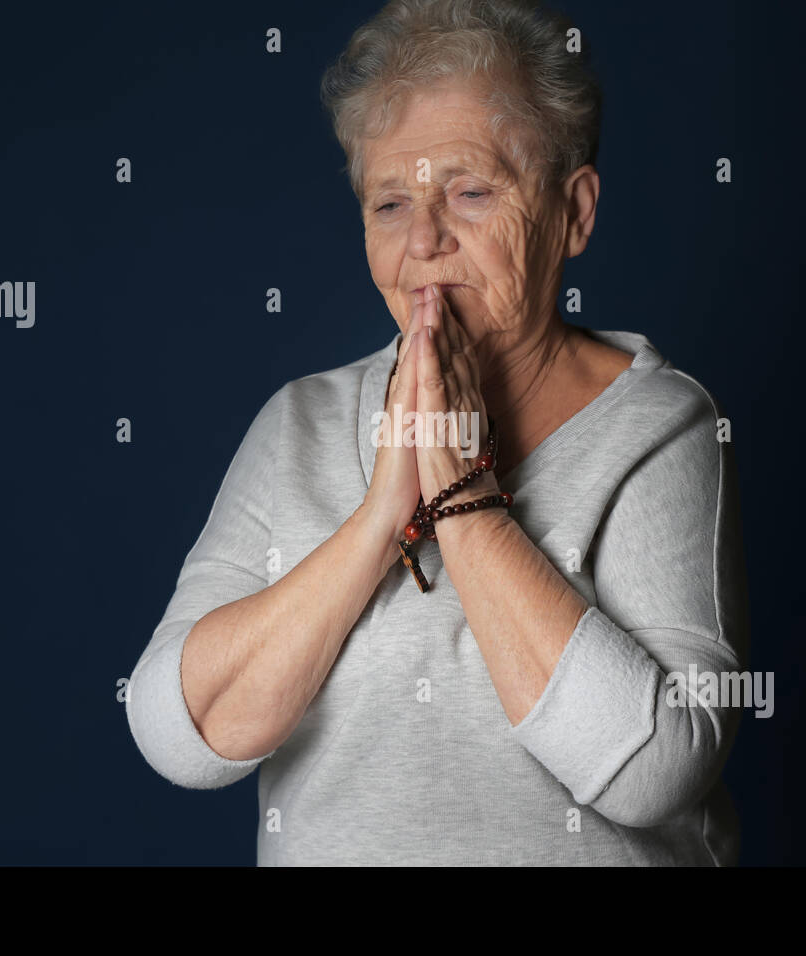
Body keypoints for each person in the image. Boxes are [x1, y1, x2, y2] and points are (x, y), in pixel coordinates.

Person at [125, 0, 750, 865]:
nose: (423, 238)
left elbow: (654, 769)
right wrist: (382, 513)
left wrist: (464, 496)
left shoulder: (661, 425)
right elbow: (179, 733)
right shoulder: (297, 424)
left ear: (573, 213)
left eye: (470, 191)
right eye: (389, 202)